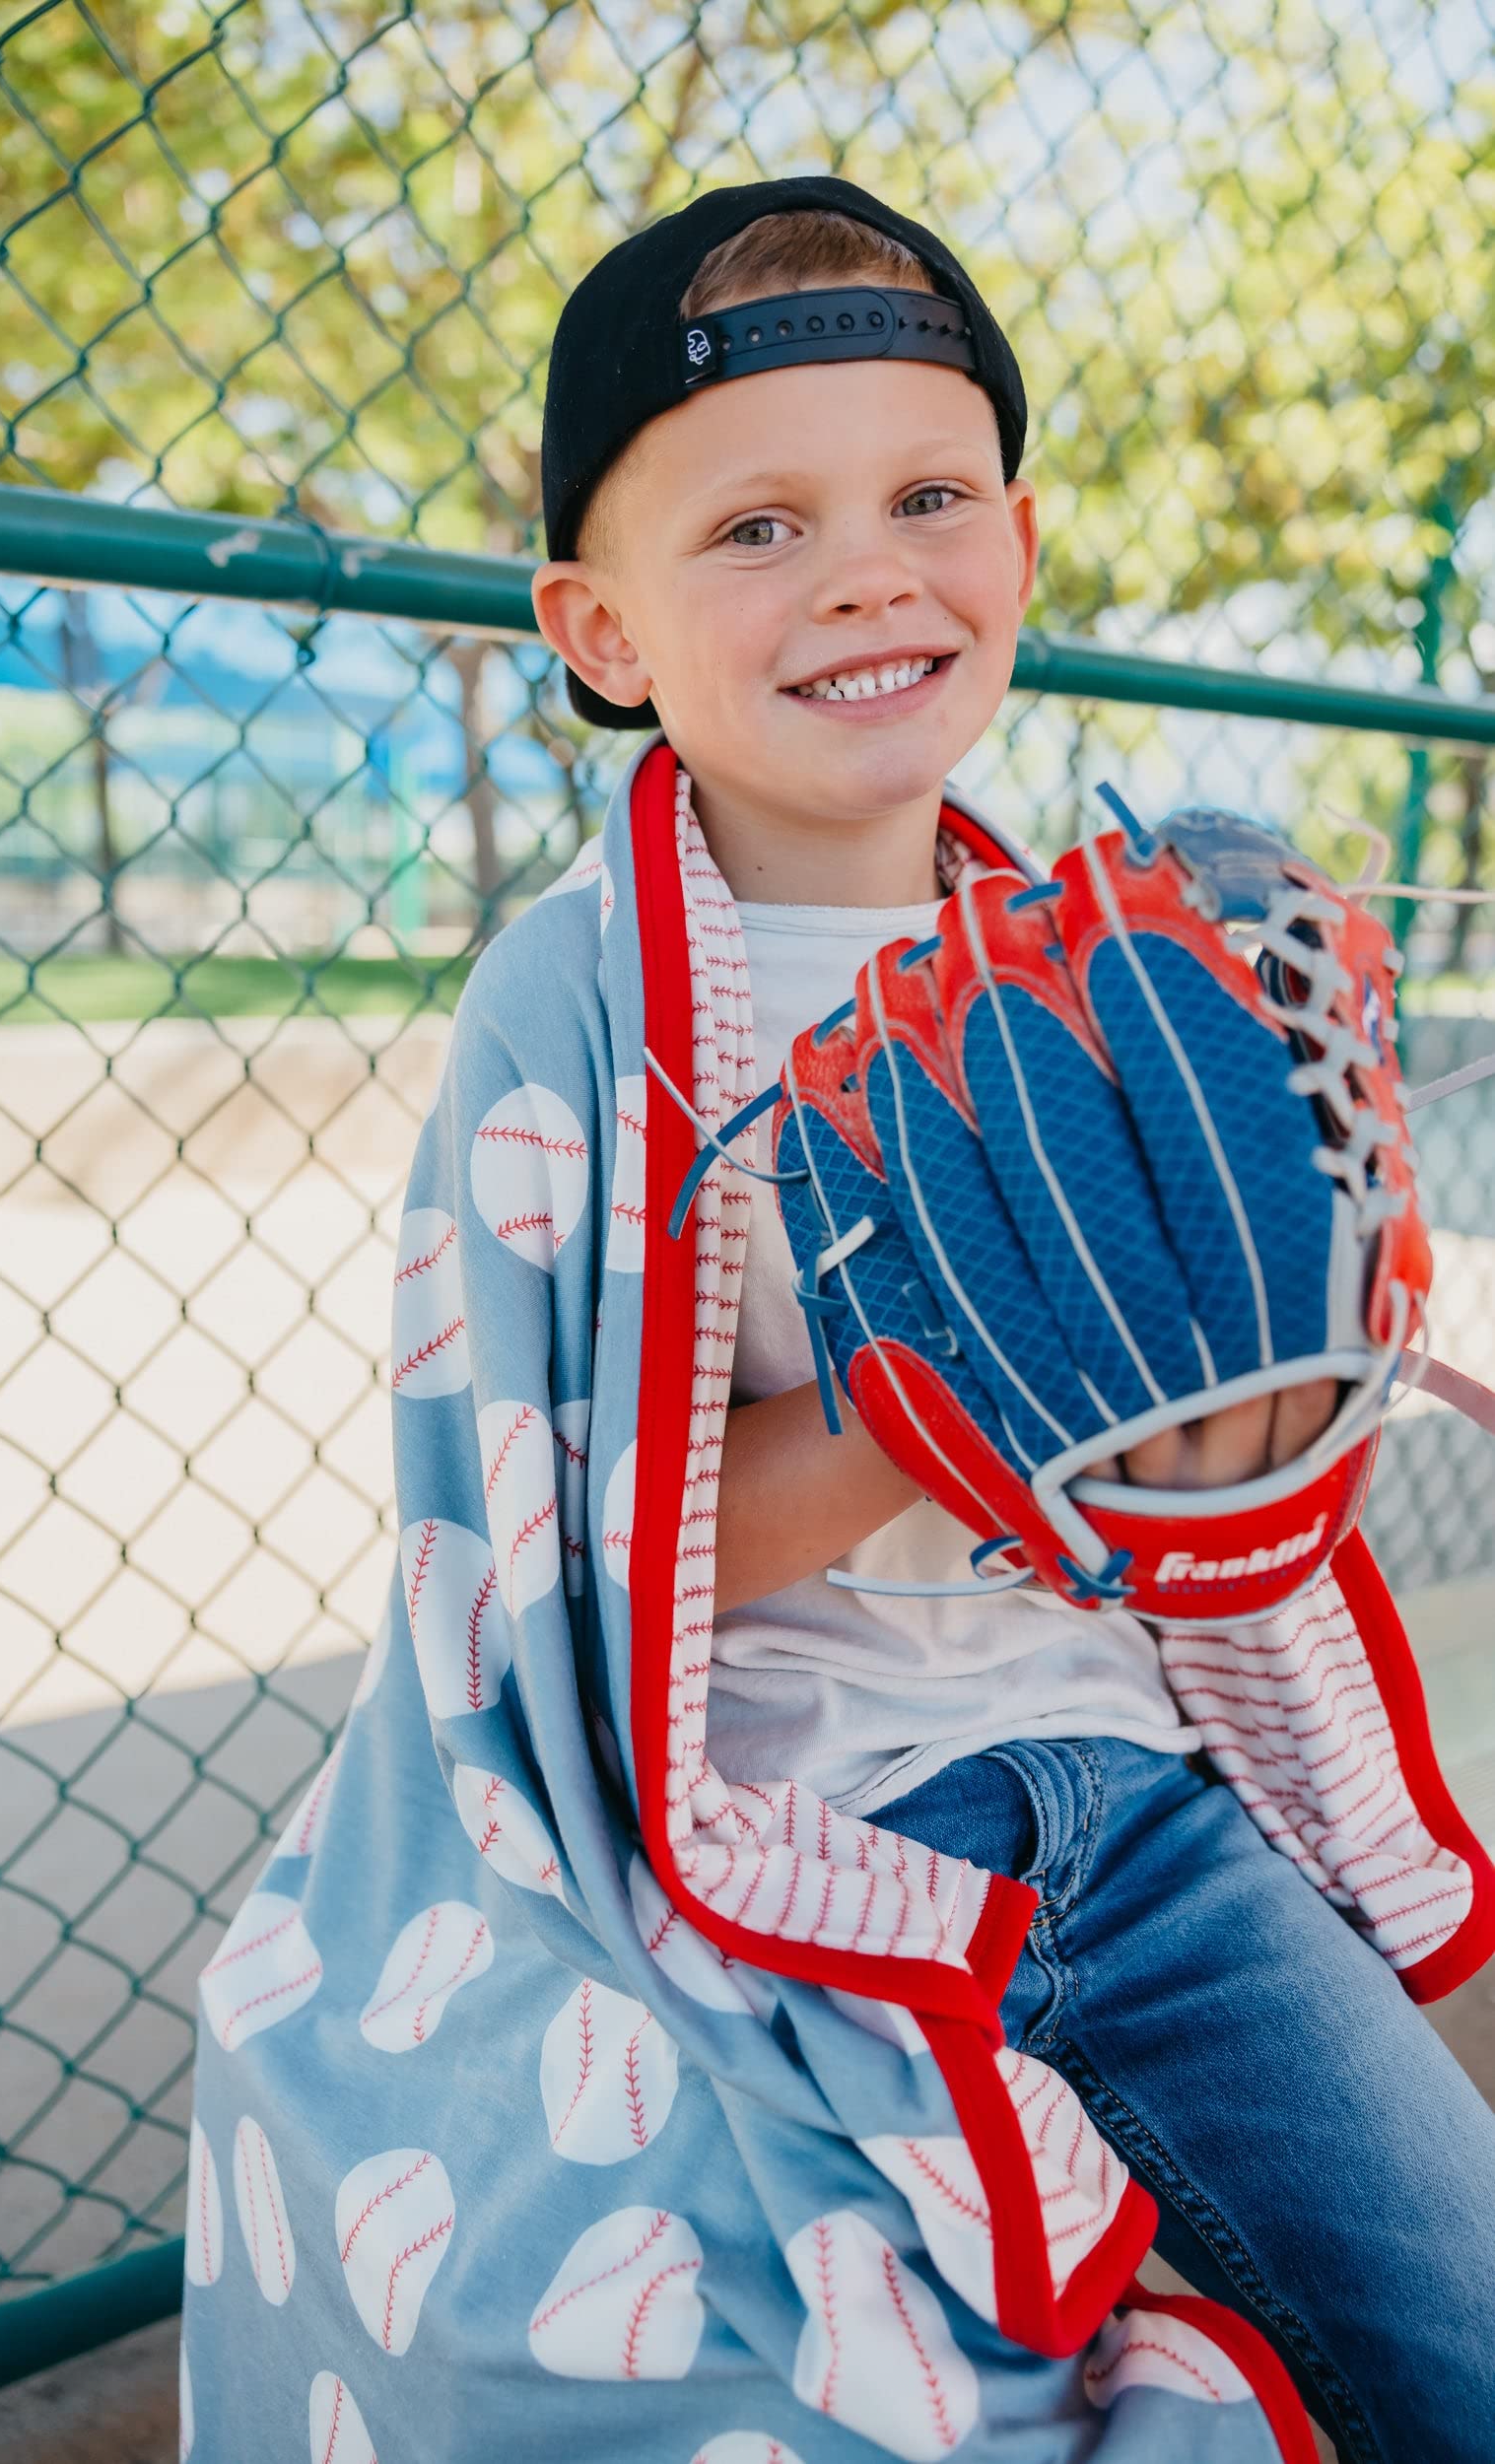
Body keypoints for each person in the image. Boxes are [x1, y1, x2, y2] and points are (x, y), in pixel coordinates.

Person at [176, 174, 1494, 2464]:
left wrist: (1287, 1376)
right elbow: (586, 1560)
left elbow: (1228, 1468)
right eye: (758, 526)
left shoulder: (1129, 959)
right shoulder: (579, 1019)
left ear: (1023, 540)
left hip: (1142, 1812)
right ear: (599, 624)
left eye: (926, 495)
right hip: (799, 1839)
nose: (871, 569)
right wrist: (948, 1387)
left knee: (1458, 2338)